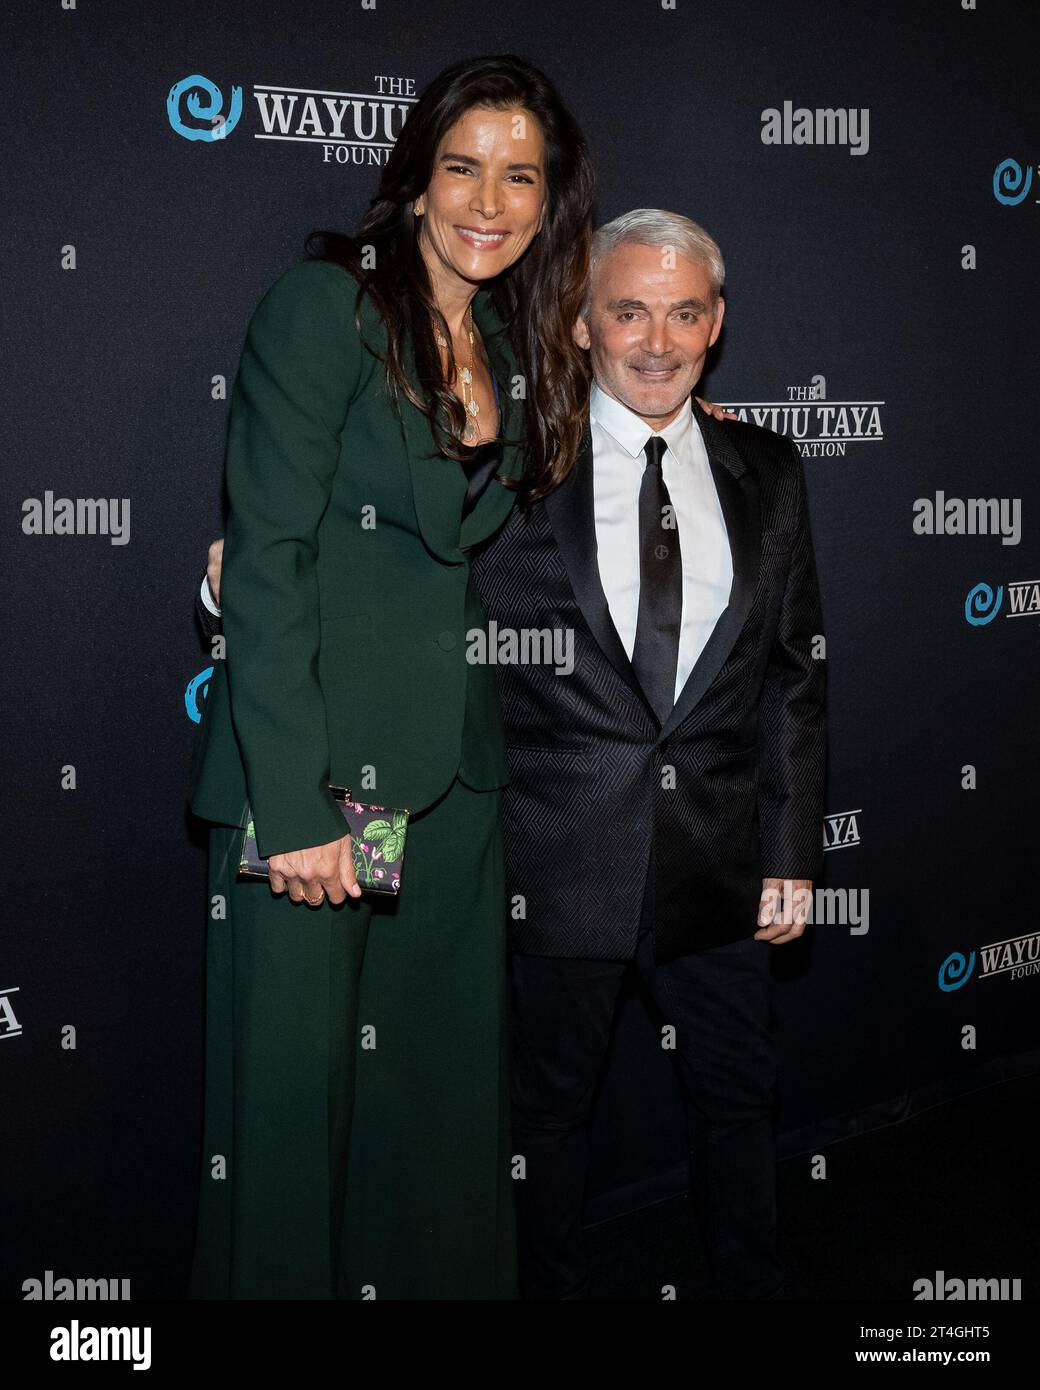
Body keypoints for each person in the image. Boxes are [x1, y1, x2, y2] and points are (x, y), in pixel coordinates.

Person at [196, 210, 806, 1300]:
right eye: (626, 310)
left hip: (715, 867)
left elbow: (793, 676)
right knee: (532, 1124)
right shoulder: (521, 468)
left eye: (681, 314)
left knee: (737, 1102)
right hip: (544, 862)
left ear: (715, 326)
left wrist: (790, 850)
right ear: (577, 326)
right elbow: (389, 580)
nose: (654, 342)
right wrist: (224, 588)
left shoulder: (764, 464)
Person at [185, 53, 595, 1300]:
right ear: (413, 179)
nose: (488, 199)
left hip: (454, 789)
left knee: (434, 1111)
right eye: (462, 166)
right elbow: (265, 563)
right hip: (324, 785)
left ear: (546, 199)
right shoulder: (328, 307)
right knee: (291, 1119)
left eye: (518, 176)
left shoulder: (516, 341)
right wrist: (295, 806)